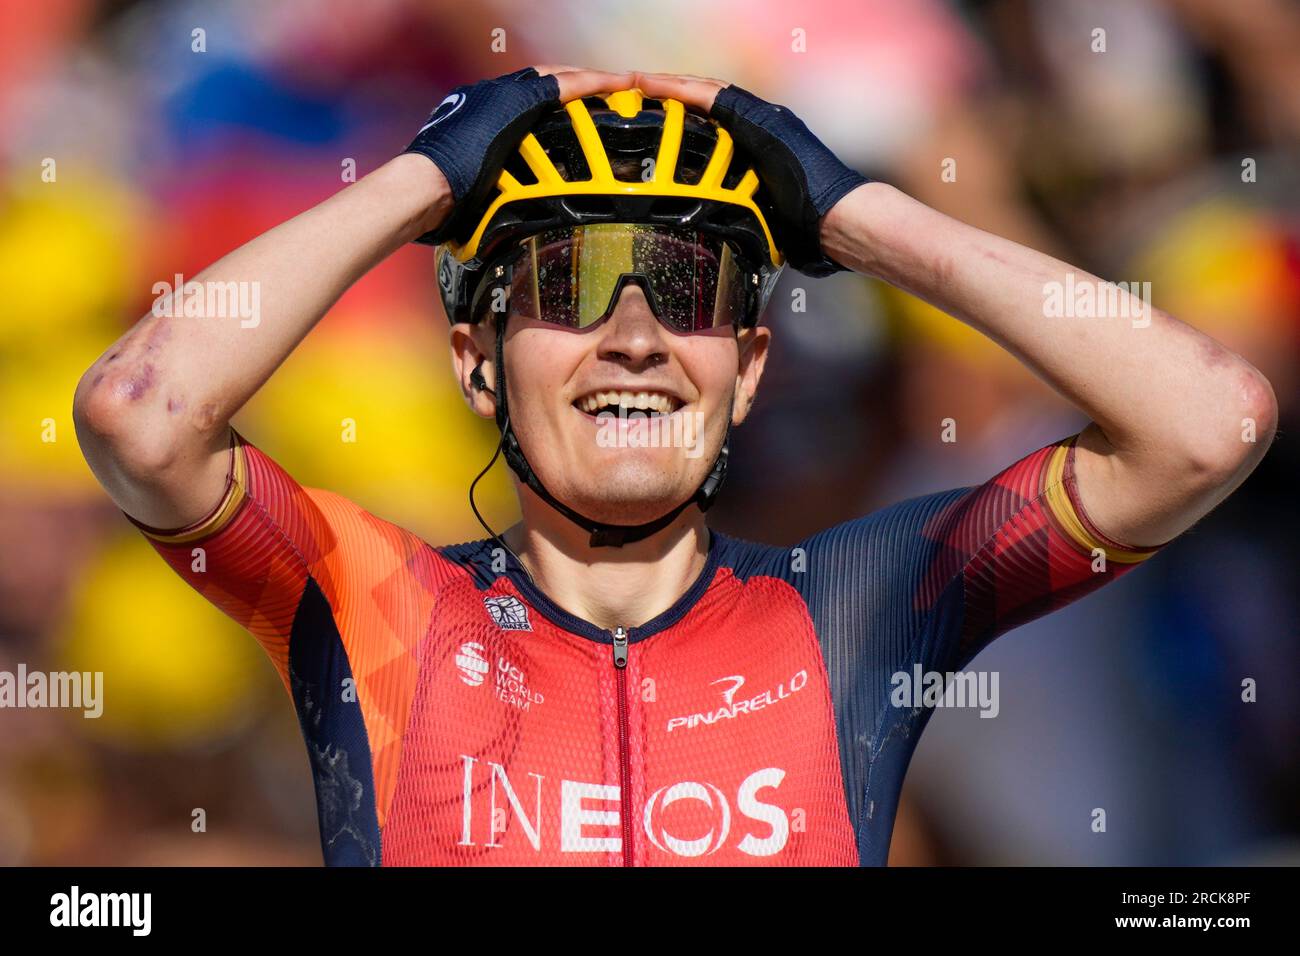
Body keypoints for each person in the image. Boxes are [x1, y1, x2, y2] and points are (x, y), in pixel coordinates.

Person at [72, 66, 1277, 866]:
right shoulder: (380, 606)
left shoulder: (854, 608)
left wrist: (854, 215)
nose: (636, 337)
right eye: (568, 283)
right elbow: (138, 415)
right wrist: (419, 183)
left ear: (747, 368)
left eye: (690, 288)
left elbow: (1207, 422)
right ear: (475, 362)